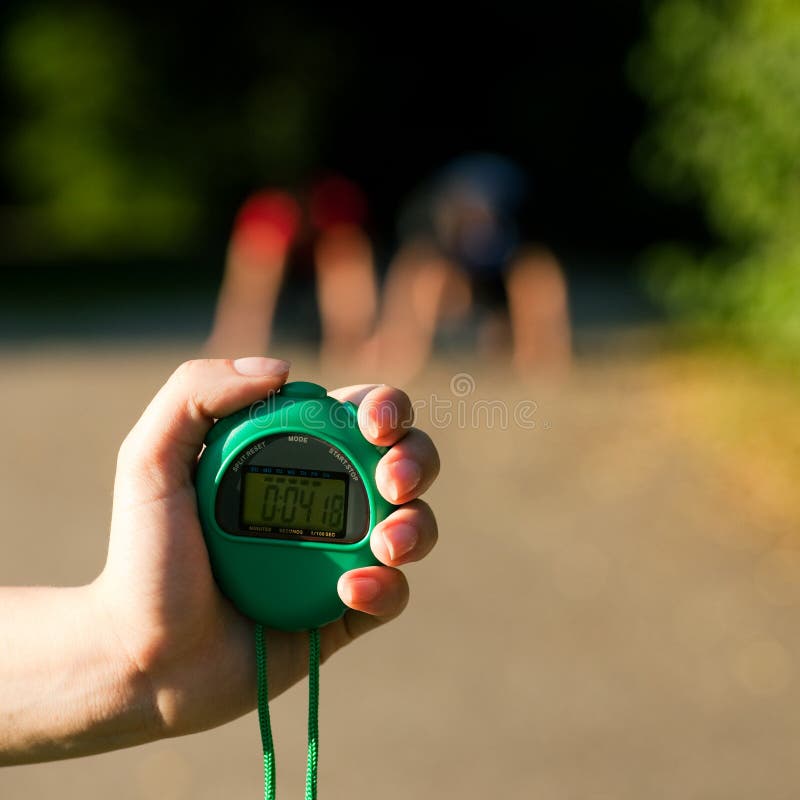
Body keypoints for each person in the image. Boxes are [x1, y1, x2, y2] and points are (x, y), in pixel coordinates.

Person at [0, 357, 439, 764]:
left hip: (305, 599)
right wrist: (132, 658)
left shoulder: (240, 437)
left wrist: (139, 663)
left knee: (387, 450)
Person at [367, 153, 572, 383]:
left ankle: (543, 357)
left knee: (537, 277)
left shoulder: (522, 222)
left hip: (503, 269)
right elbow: (411, 274)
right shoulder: (434, 226)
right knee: (427, 277)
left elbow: (536, 269)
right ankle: (403, 352)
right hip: (459, 264)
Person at [205, 176, 378, 371]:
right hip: (277, 212)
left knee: (345, 250)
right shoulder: (270, 210)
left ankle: (350, 342)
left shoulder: (335, 202)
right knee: (260, 260)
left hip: (329, 204)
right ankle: (239, 341)